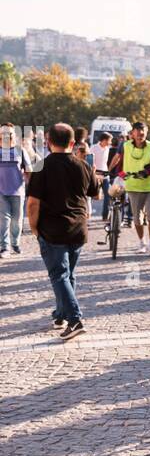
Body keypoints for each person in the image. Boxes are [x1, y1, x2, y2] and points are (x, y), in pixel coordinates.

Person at [26, 122, 99, 340]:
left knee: (60, 275)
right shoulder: (83, 165)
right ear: (73, 142)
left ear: (48, 142)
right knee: (67, 274)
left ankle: (75, 319)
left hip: (52, 230)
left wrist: (33, 227)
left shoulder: (41, 166)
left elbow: (32, 204)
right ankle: (60, 314)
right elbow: (95, 193)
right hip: (77, 229)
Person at [108, 121, 150, 256]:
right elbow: (120, 160)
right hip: (133, 186)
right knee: (137, 218)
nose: (140, 135)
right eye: (137, 133)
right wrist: (115, 172)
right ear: (132, 134)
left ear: (146, 133)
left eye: (142, 133)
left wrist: (145, 172)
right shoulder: (125, 146)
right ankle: (142, 243)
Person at [0, 122, 31, 257]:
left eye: (10, 133)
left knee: (16, 220)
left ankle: (15, 243)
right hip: (1, 191)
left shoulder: (21, 150)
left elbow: (29, 170)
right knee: (4, 219)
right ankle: (4, 247)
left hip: (18, 191)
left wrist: (29, 184)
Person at [90, 131, 113, 221]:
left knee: (108, 195)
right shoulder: (94, 148)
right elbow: (90, 162)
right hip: (95, 175)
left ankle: (105, 216)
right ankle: (88, 214)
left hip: (105, 175)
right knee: (91, 195)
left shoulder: (107, 148)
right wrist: (94, 174)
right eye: (109, 140)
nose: (110, 142)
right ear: (104, 140)